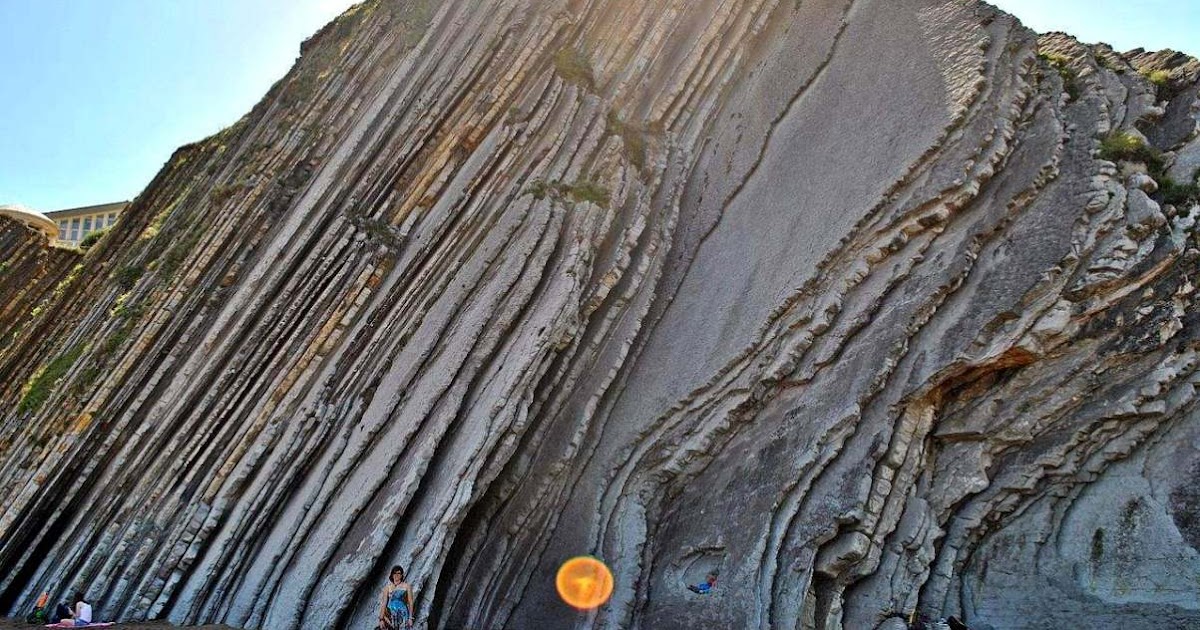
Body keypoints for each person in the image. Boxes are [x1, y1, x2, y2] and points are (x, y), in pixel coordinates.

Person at [378, 565, 414, 629]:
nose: (396, 575)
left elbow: (410, 602)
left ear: (401, 575)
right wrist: (381, 619)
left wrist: (410, 618)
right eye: (394, 573)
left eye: (398, 573)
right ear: (392, 574)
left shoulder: (407, 586)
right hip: (391, 615)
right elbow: (384, 604)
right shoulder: (387, 588)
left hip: (403, 614)